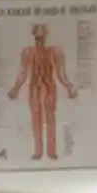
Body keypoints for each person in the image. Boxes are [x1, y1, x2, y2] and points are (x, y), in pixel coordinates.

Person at [8, 23, 77, 160]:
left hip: (49, 86)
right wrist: (15, 88)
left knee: (50, 117)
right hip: (35, 87)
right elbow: (23, 72)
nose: (39, 40)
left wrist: (69, 87)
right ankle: (38, 151)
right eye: (37, 37)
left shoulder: (54, 52)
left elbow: (60, 73)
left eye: (41, 37)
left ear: (45, 36)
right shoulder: (28, 52)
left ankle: (51, 151)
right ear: (34, 36)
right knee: (36, 118)